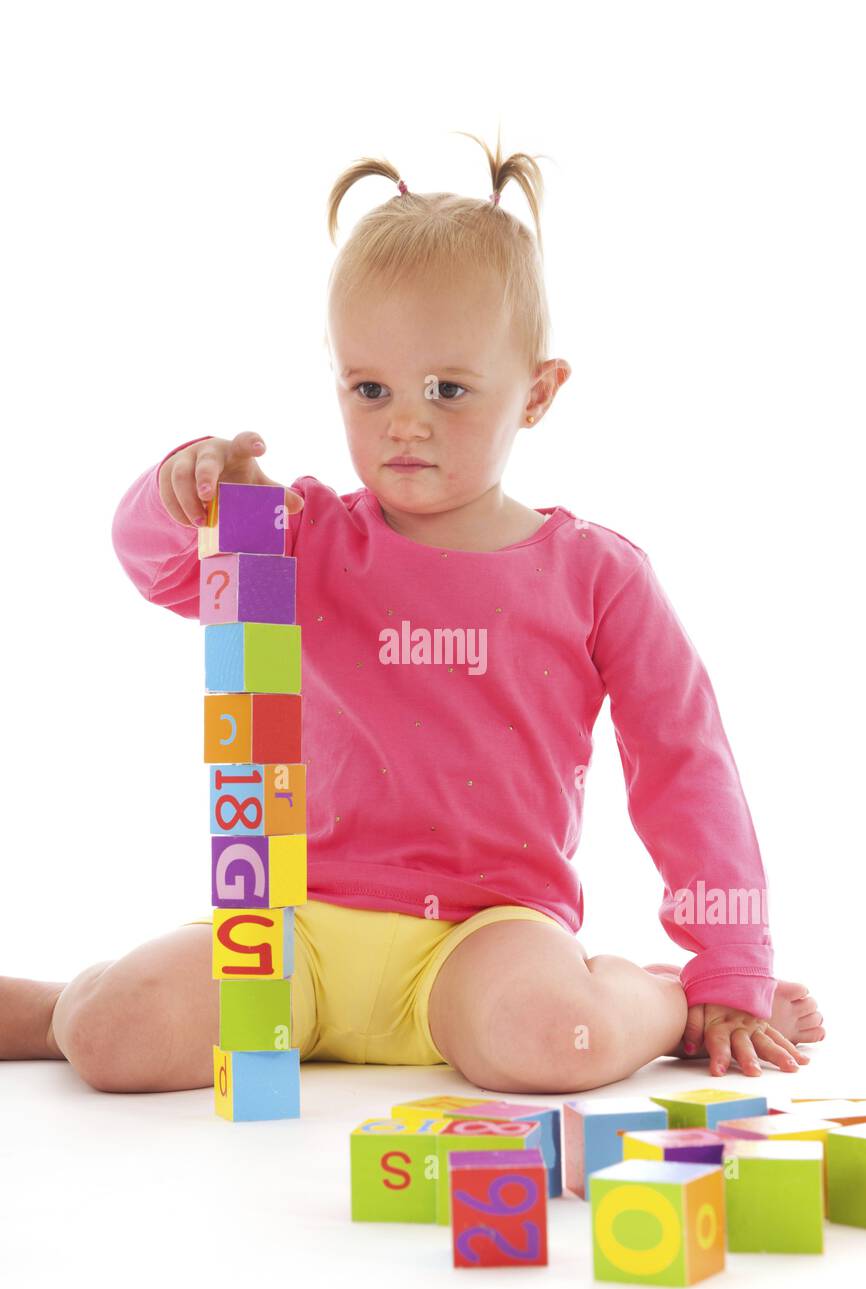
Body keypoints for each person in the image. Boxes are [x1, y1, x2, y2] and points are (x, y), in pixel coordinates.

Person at [1, 132, 824, 1094]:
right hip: (297, 925)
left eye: (447, 389)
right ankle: (62, 1005)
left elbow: (688, 769)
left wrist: (729, 964)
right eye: (370, 388)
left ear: (539, 393)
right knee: (115, 1038)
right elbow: (157, 568)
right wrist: (185, 492)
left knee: (555, 1043)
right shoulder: (296, 537)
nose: (404, 421)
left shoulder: (599, 575)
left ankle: (663, 999)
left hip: (486, 938)